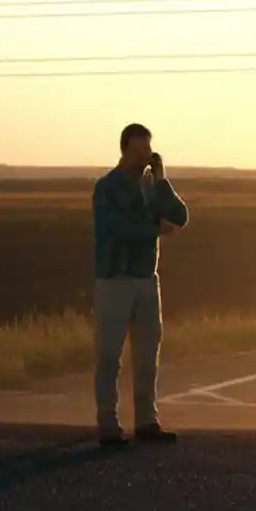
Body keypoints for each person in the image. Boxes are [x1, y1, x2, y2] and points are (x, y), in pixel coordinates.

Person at [91, 123, 189, 446]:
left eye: (147, 149)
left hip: (147, 279)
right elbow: (114, 229)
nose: (144, 156)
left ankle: (147, 420)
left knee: (148, 355)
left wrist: (162, 180)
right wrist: (154, 231)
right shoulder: (106, 188)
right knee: (110, 356)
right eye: (138, 150)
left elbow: (180, 215)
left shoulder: (151, 188)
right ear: (124, 149)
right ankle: (108, 423)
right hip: (115, 281)